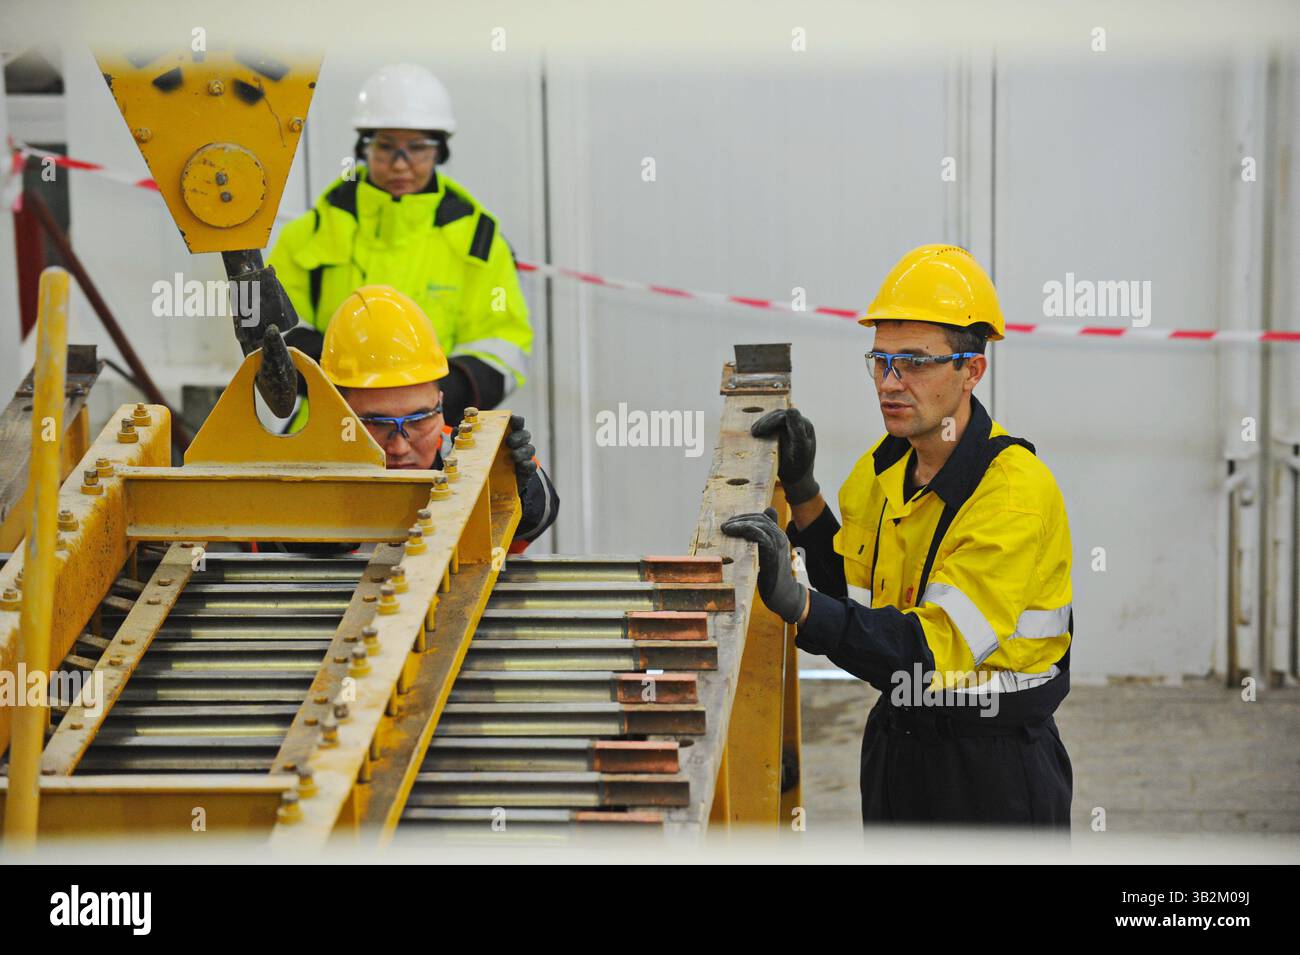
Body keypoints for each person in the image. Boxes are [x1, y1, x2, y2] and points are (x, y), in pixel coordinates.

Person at [722, 244, 1074, 827]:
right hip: (900, 749)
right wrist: (805, 493)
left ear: (971, 370)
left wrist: (801, 606)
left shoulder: (1012, 496)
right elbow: (857, 603)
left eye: (915, 362)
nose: (890, 382)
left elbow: (925, 655)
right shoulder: (885, 467)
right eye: (881, 360)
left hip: (990, 771)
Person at [270, 63, 533, 428]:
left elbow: (503, 345)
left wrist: (435, 397)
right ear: (364, 148)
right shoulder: (310, 234)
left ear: (440, 152)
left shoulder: (478, 243)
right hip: (328, 435)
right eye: (385, 147)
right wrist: (350, 389)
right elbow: (274, 332)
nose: (400, 165)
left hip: (434, 439)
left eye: (417, 149)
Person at [322, 285, 557, 553]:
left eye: (419, 419)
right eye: (376, 424)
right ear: (337, 414)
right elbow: (267, 543)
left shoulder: (463, 457)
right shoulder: (303, 472)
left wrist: (515, 487)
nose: (399, 448)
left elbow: (539, 517)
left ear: (441, 403)